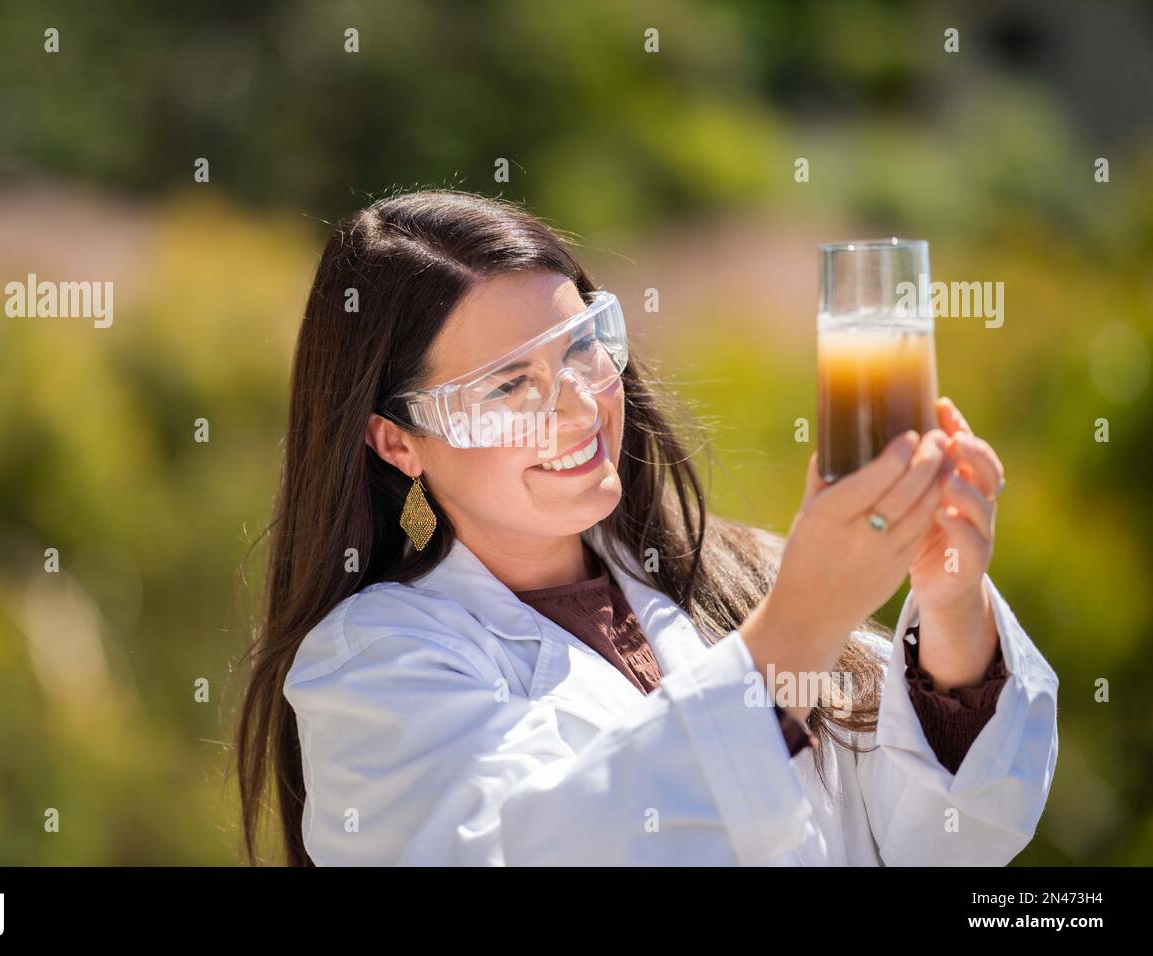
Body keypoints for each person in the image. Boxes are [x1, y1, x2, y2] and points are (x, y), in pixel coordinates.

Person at [235, 189, 1058, 866]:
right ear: (397, 440)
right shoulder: (375, 665)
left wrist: (949, 604)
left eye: (581, 347)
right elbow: (530, 849)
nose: (575, 407)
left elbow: (952, 840)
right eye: (506, 388)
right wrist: (798, 627)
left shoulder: (737, 575)